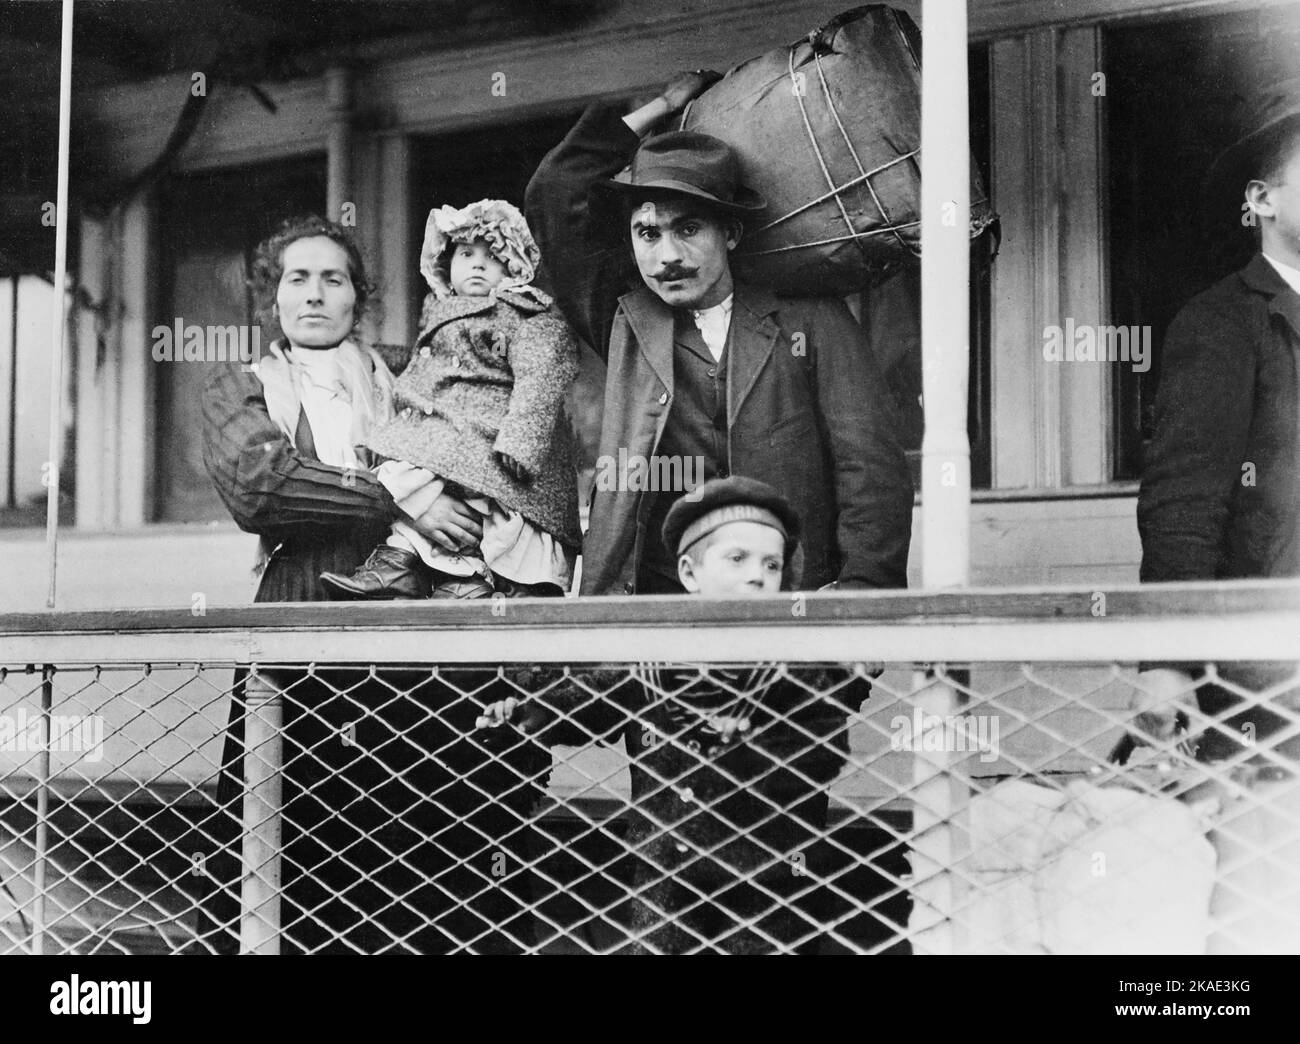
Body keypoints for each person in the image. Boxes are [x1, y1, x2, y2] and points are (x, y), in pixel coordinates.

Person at [197, 215, 549, 952]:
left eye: (335, 279)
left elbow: (486, 423)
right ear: (274, 297)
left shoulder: (410, 369)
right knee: (288, 813)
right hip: (302, 600)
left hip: (410, 605)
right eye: (299, 278)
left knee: (413, 815)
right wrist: (405, 494)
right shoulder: (241, 383)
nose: (317, 295)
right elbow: (263, 486)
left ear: (360, 296)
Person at [524, 71, 913, 597]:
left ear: (729, 233)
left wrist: (864, 590)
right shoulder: (623, 319)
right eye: (648, 233)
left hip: (788, 606)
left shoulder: (810, 319)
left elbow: (868, 464)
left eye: (688, 229)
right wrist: (661, 104)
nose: (667, 257)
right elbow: (554, 191)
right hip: (653, 616)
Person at [478, 476, 871, 953]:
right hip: (663, 869)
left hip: (760, 874)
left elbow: (825, 746)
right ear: (688, 572)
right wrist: (525, 715)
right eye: (737, 558)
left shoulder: (790, 666)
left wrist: (755, 745)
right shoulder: (653, 657)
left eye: (772, 564)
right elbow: (589, 702)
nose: (757, 575)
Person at [1134, 79, 1300, 953]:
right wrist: (1168, 663)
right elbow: (1183, 503)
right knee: (1262, 908)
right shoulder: (1223, 322)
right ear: (1261, 201)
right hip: (1270, 681)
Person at [320, 199, 581, 600]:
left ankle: (478, 580)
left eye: (493, 255)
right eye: (465, 254)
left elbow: (543, 373)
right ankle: (403, 563)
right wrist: (372, 357)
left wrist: (521, 439)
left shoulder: (524, 313)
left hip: (492, 432)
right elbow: (427, 366)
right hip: (451, 429)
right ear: (445, 266)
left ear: (514, 269)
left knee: (478, 502)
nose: (477, 264)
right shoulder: (441, 312)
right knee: (405, 467)